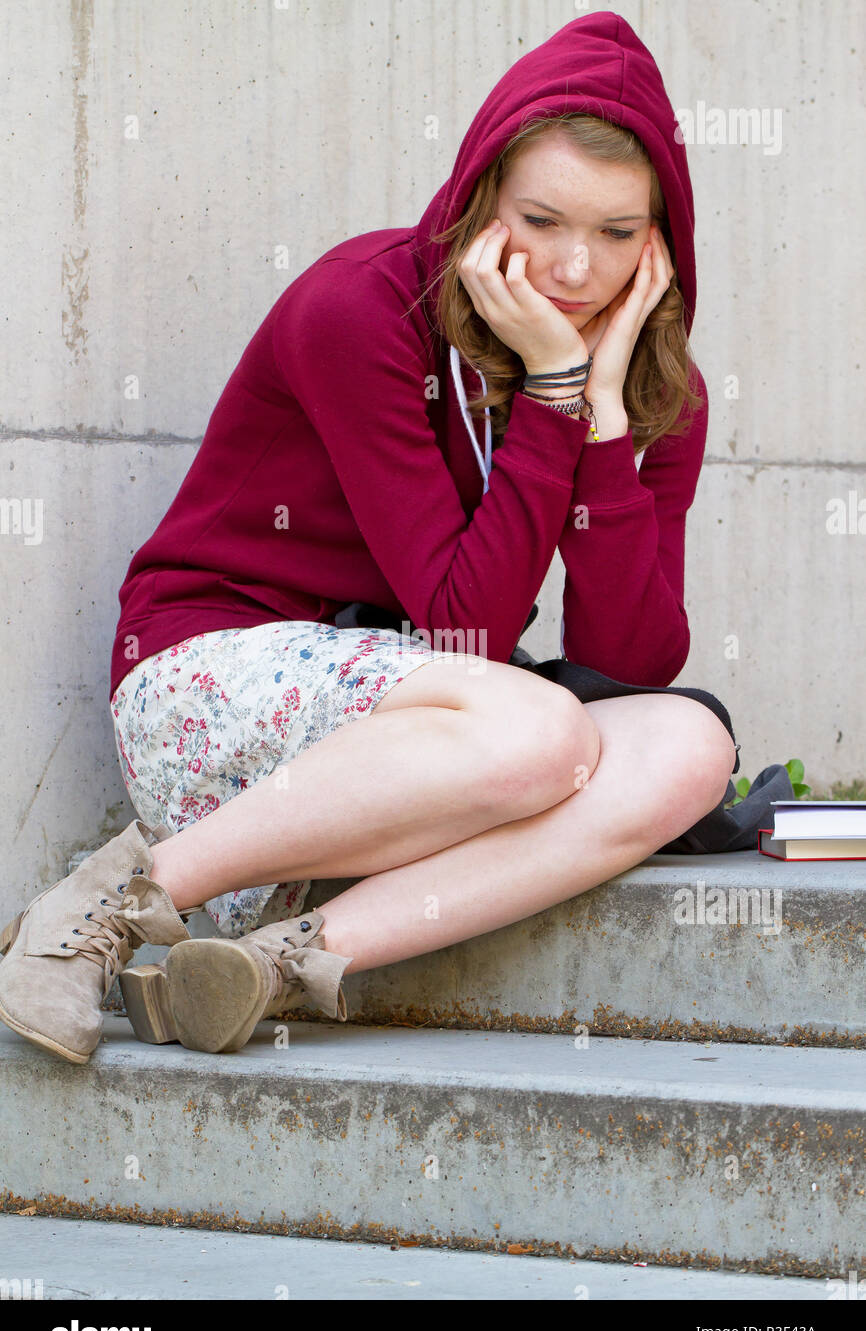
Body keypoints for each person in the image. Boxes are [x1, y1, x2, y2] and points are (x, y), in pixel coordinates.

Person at [0, 11, 736, 1064]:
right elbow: (466, 622)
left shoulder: (653, 388)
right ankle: (104, 904)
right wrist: (553, 396)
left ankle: (276, 964)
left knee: (687, 746)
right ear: (483, 198)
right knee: (539, 730)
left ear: (663, 236)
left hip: (419, 741)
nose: (577, 267)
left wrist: (604, 419)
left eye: (619, 233)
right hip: (213, 687)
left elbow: (627, 660)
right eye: (541, 218)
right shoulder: (363, 307)